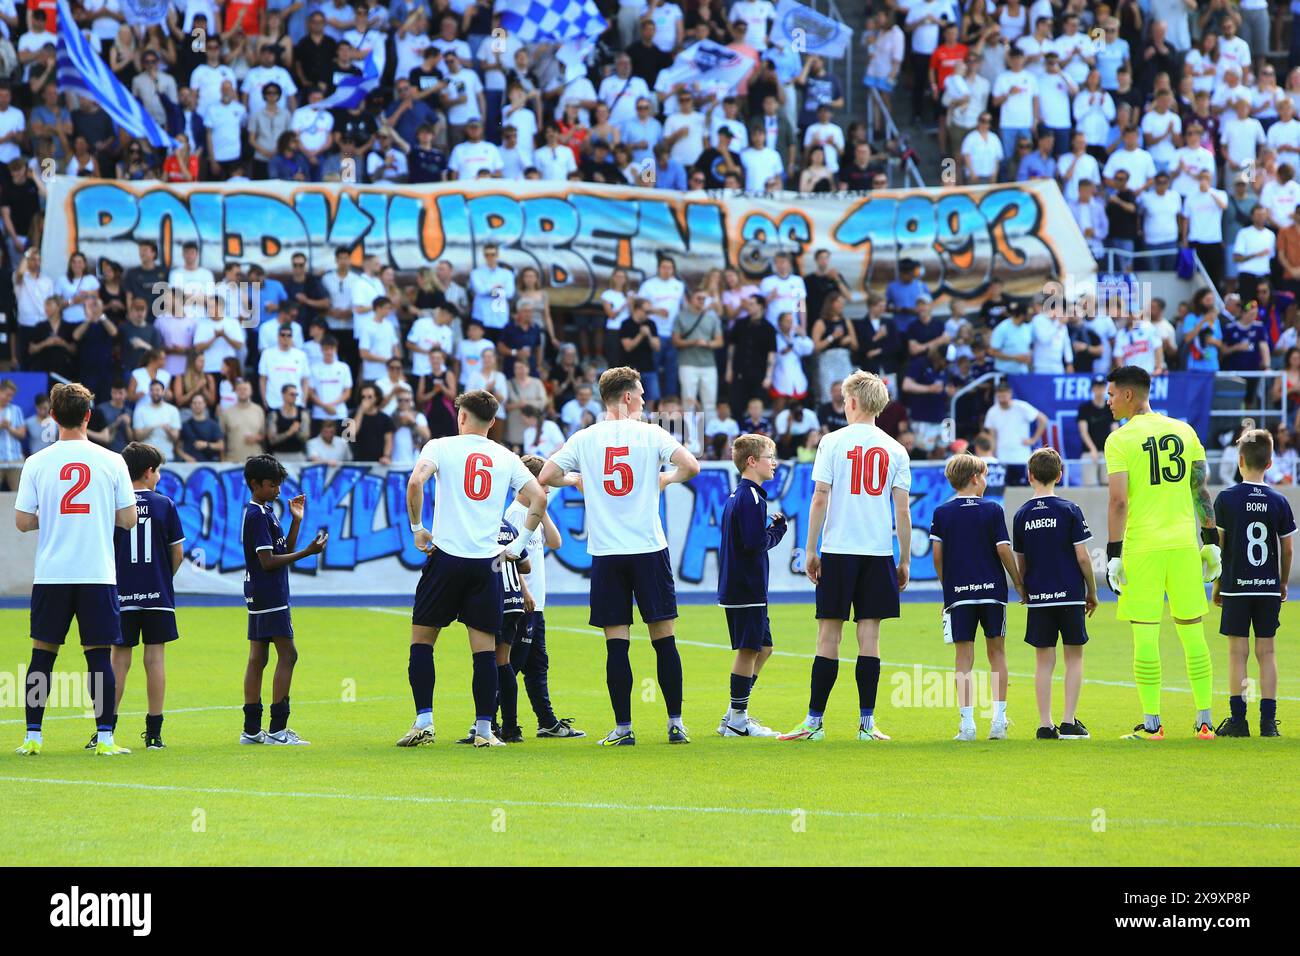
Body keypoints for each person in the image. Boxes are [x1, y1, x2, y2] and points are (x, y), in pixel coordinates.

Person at [537, 366, 702, 746]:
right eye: (641, 394)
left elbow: (545, 475)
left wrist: (578, 480)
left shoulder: (584, 438)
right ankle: (675, 724)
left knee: (617, 643)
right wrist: (666, 479)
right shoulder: (650, 432)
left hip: (608, 553)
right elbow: (690, 466)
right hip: (648, 548)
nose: (644, 400)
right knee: (664, 639)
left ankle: (624, 728)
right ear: (627, 397)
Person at [396, 389, 547, 749]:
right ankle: (483, 729)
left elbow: (416, 482)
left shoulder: (439, 446)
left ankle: (424, 721)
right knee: (484, 652)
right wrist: (519, 544)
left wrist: (417, 529)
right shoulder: (506, 456)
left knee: (422, 642)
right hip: (487, 564)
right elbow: (539, 497)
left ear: (461, 417)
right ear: (493, 422)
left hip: (445, 557)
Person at [779, 371, 910, 743]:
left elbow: (820, 496)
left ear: (851, 402)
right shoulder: (895, 449)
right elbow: (903, 511)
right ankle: (867, 725)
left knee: (828, 636)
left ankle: (813, 723)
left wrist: (810, 548)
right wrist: (904, 559)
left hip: (838, 551)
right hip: (877, 552)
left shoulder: (832, 442)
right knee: (870, 638)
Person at [14, 383, 138, 757]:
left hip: (53, 573)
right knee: (99, 655)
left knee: (43, 654)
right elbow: (129, 519)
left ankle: (33, 736)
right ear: (89, 415)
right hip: (96, 572)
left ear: (52, 416)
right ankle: (104, 737)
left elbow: (21, 521)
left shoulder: (36, 462)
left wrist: (51, 517)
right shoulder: (113, 460)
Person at [1104, 365, 1220, 741]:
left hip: (1143, 548)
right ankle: (1204, 721)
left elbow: (1119, 502)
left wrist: (1113, 552)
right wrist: (1211, 541)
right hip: (1185, 545)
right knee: (1192, 634)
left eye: (1111, 395)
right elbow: (1201, 490)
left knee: (1146, 636)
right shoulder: (1184, 430)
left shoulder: (1119, 440)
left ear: (1127, 395)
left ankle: (1152, 725)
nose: (1108, 402)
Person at [929, 452, 1021, 741]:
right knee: (997, 653)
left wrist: (949, 588)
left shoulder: (942, 512)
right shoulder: (992, 509)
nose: (984, 480)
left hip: (959, 594)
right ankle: (998, 720)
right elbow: (1003, 549)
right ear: (974, 478)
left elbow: (937, 556)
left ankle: (967, 724)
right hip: (993, 592)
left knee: (963, 657)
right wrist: (1018, 582)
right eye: (983, 476)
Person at [1212, 429, 1294, 738]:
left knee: (1238, 653)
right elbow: (1287, 547)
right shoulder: (1278, 500)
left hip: (1236, 584)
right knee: (1267, 653)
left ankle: (1238, 719)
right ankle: (1268, 722)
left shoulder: (1227, 499)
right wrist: (1283, 581)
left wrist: (1218, 585)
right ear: (1271, 463)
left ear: (1240, 460)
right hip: (1268, 586)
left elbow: (1219, 547)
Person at [105, 443, 185, 752]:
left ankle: (105, 731)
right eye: (159, 470)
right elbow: (176, 551)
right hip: (158, 595)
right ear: (149, 471)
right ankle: (154, 733)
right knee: (155, 659)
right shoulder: (164, 504)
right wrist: (164, 577)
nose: (159, 476)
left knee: (117, 661)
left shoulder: (116, 505)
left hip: (121, 594)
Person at [1012, 448, 1097, 741]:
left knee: (1043, 662)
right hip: (1071, 594)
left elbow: (1020, 560)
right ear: (1059, 475)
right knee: (1074, 658)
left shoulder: (1022, 514)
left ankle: (1045, 724)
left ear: (1030, 475)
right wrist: (1092, 590)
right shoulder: (1069, 510)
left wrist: (1023, 587)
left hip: (1039, 596)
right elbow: (1083, 557)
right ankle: (1069, 721)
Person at [502, 454, 585, 740]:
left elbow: (556, 542)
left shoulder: (534, 515)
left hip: (537, 603)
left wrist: (543, 508)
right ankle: (488, 720)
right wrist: (524, 592)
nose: (548, 491)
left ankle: (547, 721)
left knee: (538, 664)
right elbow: (510, 559)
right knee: (513, 663)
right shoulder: (514, 514)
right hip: (524, 602)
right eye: (544, 485)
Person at [716, 433, 786, 738]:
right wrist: (777, 531)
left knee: (764, 647)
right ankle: (738, 720)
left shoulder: (742, 495)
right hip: (746, 587)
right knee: (748, 649)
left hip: (744, 586)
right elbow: (753, 542)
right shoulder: (751, 497)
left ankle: (733, 712)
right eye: (769, 457)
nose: (774, 463)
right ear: (751, 461)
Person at [982, 381, 1046, 485]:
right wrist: (993, 454)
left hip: (1020, 457)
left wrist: (1033, 439)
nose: (1002, 400)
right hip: (1002, 458)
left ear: (1010, 394)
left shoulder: (1021, 407)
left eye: (1004, 396)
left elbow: (1043, 420)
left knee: (1021, 490)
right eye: (999, 397)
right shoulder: (992, 412)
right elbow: (992, 436)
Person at [1077, 374, 1115, 486]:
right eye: (1097, 387)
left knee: (1108, 484)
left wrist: (1111, 448)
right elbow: (1083, 431)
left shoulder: (1110, 406)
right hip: (1089, 451)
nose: (1100, 390)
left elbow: (1114, 429)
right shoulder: (1085, 408)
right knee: (1089, 485)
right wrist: (1092, 449)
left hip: (1107, 451)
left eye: (1102, 387)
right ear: (1093, 389)